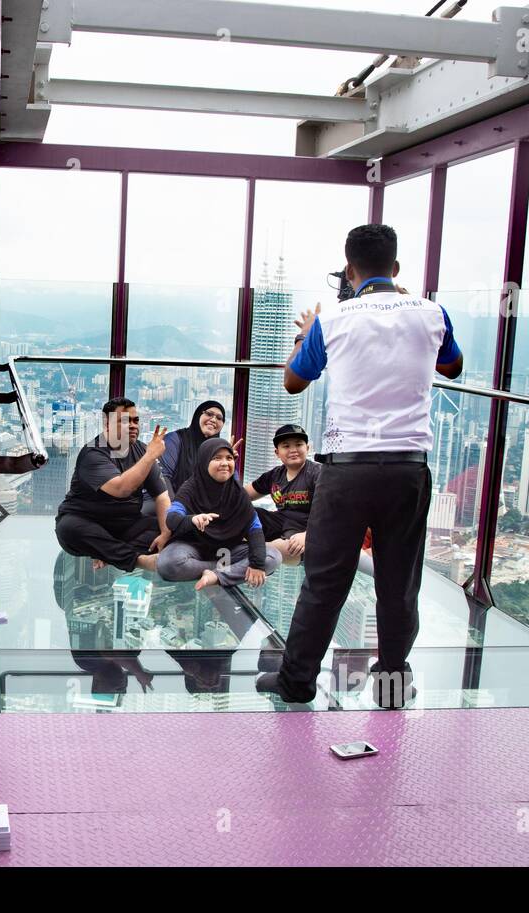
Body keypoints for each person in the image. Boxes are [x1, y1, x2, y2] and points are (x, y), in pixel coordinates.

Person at [257, 223, 463, 708]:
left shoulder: (335, 320)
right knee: (399, 583)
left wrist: (307, 335)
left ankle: (297, 682)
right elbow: (452, 367)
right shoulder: (432, 313)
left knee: (325, 581)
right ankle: (392, 685)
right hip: (407, 469)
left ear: (349, 270)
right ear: (396, 269)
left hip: (347, 472)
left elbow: (292, 383)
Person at [55, 397, 171, 573]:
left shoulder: (141, 449)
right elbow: (121, 489)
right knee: (68, 530)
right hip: (87, 523)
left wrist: (165, 533)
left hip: (126, 526)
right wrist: (150, 457)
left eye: (135, 420)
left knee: (170, 529)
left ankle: (108, 553)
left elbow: (161, 496)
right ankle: (138, 560)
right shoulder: (92, 452)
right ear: (107, 424)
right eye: (125, 421)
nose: (133, 425)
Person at [156, 436, 281, 590]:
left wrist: (257, 564)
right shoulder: (191, 488)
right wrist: (192, 520)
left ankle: (215, 576)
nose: (224, 463)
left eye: (229, 458)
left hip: (228, 551)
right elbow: (172, 519)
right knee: (168, 564)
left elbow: (255, 530)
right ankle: (228, 571)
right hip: (195, 549)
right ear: (204, 461)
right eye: (217, 458)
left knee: (272, 557)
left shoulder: (238, 493)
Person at [244, 424, 320, 565]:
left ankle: (244, 555)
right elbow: (241, 495)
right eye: (286, 446)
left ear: (307, 448)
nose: (293, 450)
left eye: (298, 444)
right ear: (277, 452)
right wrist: (226, 463)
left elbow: (333, 513)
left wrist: (307, 535)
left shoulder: (317, 474)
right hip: (280, 524)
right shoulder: (275, 475)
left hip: (307, 532)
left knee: (277, 549)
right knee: (244, 513)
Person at [159, 400, 226, 492]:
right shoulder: (175, 439)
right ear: (198, 415)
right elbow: (162, 477)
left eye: (219, 418)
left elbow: (233, 490)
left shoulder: (221, 450)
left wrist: (229, 467)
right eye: (209, 414)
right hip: (174, 501)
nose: (214, 420)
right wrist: (174, 506)